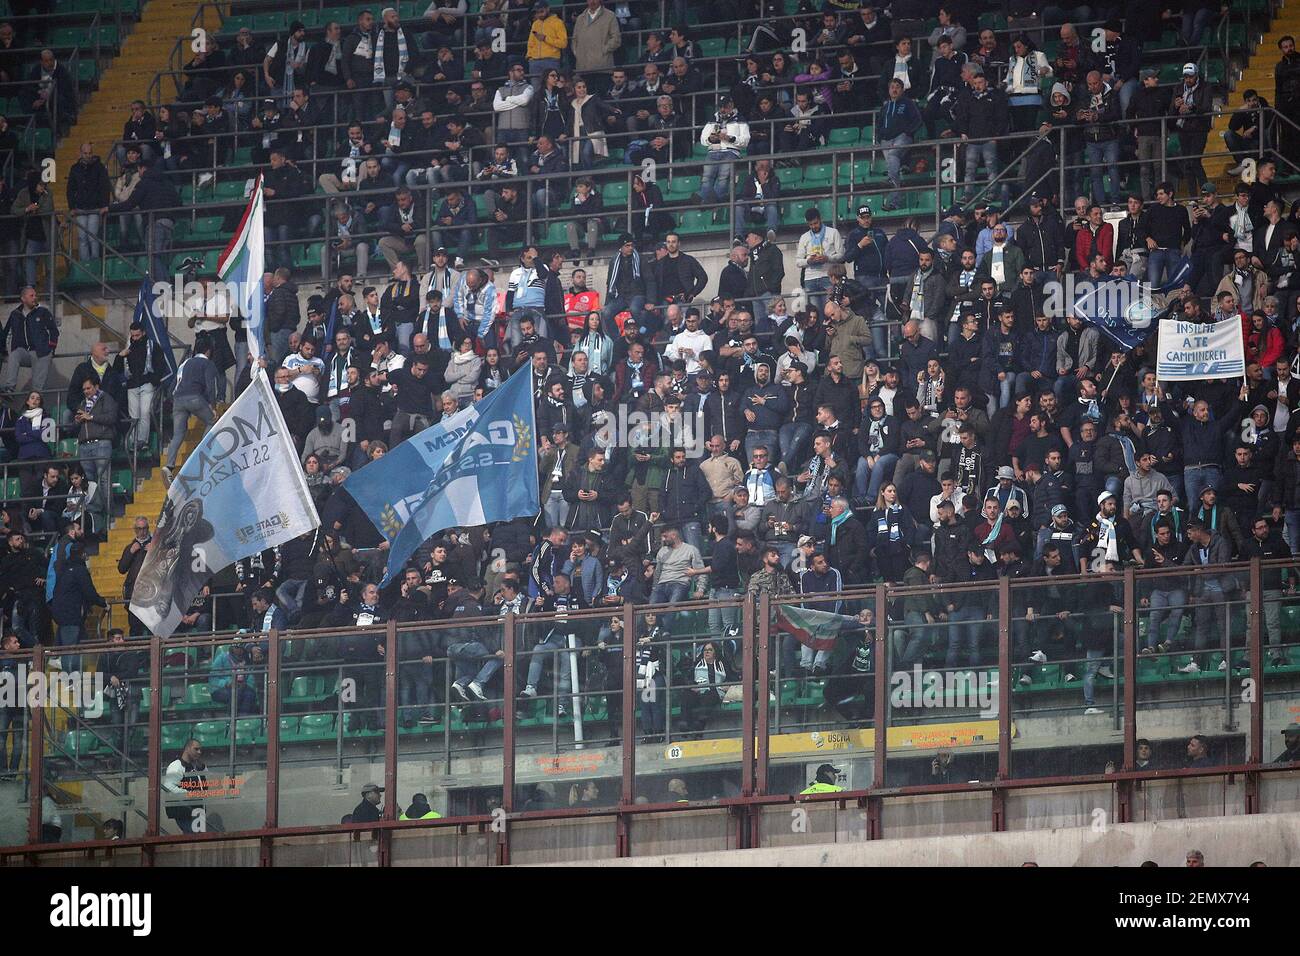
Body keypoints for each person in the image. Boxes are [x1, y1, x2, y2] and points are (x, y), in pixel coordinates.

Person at [162, 739, 208, 834]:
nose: (199, 752)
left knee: (197, 838)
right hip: (185, 811)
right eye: (196, 749)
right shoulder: (176, 766)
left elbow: (207, 779)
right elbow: (169, 788)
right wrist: (190, 794)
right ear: (187, 749)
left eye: (200, 750)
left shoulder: (196, 766)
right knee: (193, 837)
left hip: (197, 810)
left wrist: (202, 766)